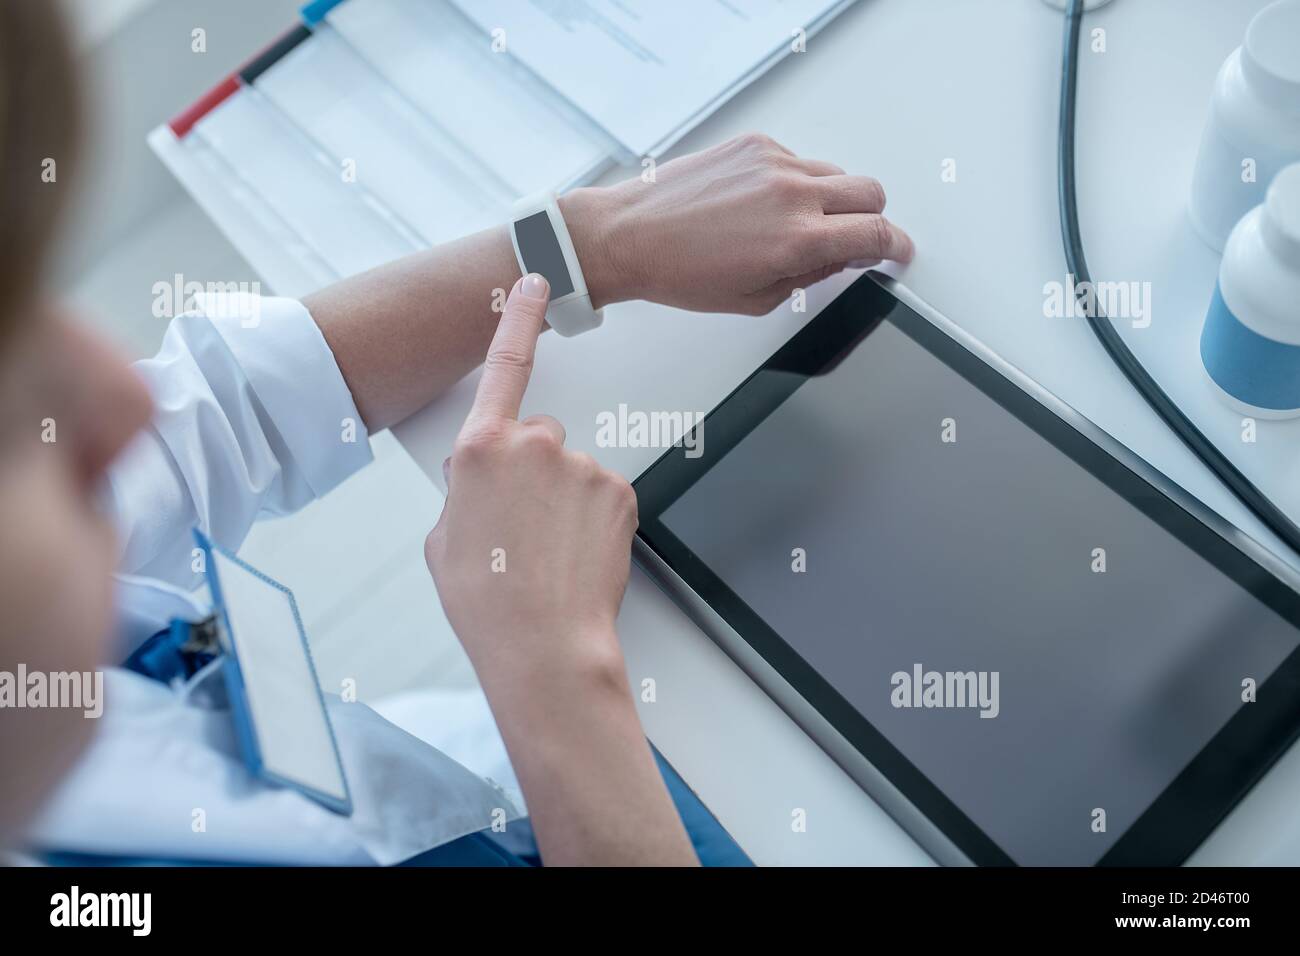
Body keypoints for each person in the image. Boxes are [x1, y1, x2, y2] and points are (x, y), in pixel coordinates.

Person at [0, 0, 913, 865]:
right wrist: (554, 671)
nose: (123, 398)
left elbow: (229, 409)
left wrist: (593, 241)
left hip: (458, 775)